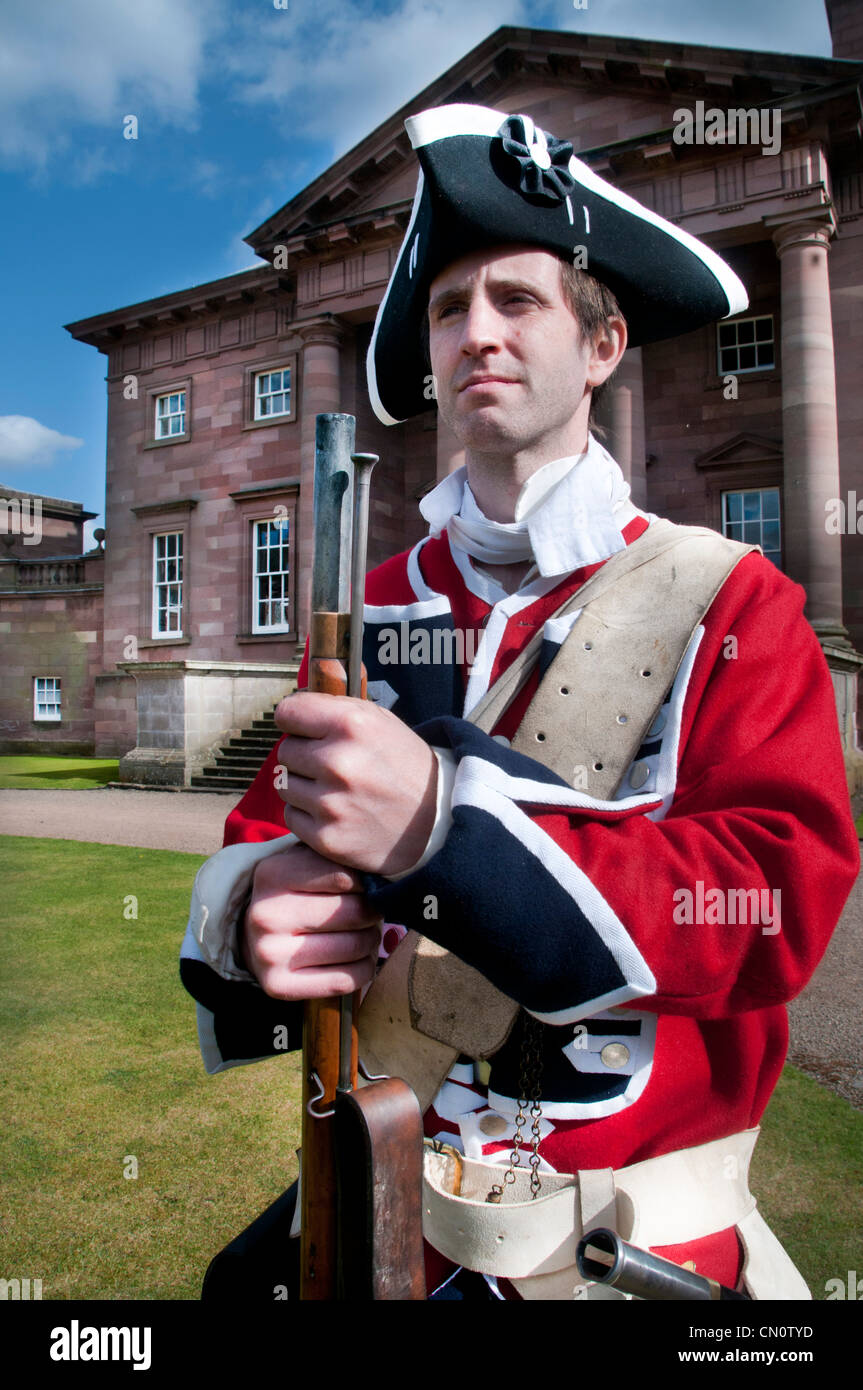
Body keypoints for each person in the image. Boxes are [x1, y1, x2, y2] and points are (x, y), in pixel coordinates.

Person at [181, 103, 860, 1300]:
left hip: (625, 1252)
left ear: (600, 346)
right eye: (450, 309)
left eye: (517, 300)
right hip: (383, 1217)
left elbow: (770, 898)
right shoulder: (377, 603)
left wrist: (448, 836)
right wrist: (254, 915)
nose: (476, 334)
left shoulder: (733, 599)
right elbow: (264, 830)